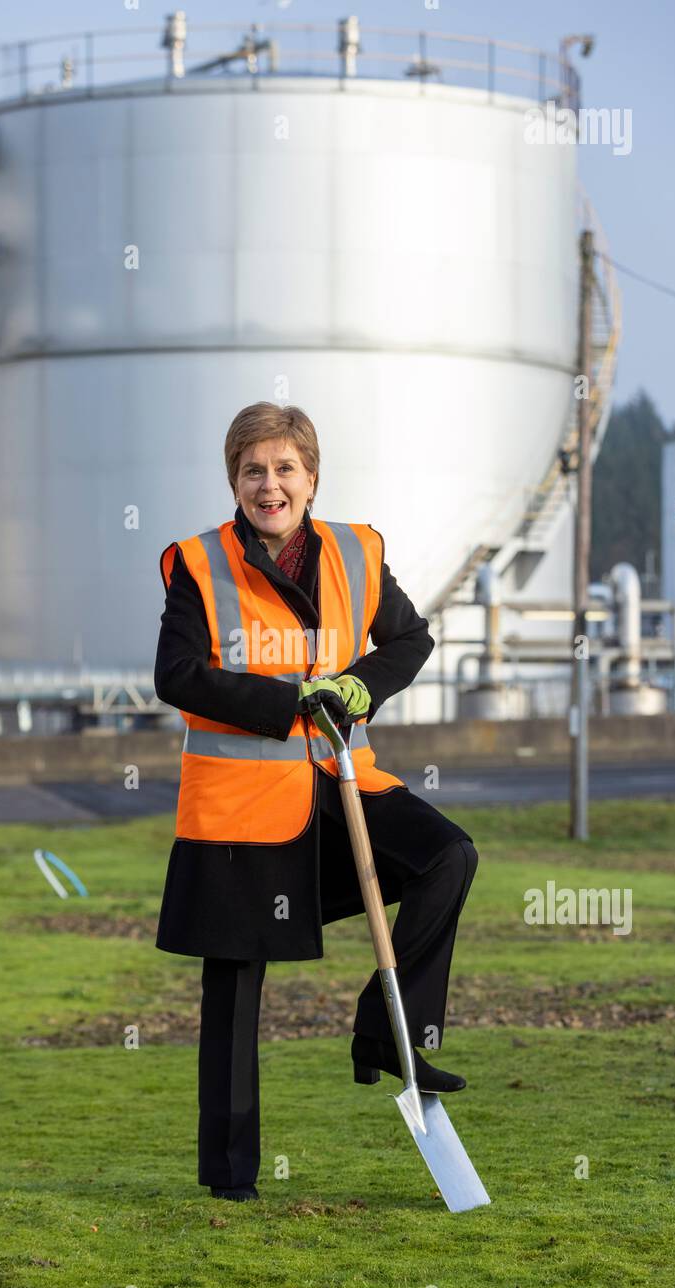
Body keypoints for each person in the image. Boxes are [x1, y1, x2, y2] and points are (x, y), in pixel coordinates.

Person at [154, 402, 479, 1201]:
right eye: (253, 470)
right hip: (240, 810)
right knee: (233, 986)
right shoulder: (198, 565)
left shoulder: (356, 551)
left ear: (311, 476)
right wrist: (289, 700)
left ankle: (384, 1030)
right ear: (234, 480)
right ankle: (228, 1182)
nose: (270, 485)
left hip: (340, 788)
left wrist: (357, 685)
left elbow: (409, 640)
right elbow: (178, 676)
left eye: (284, 468)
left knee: (447, 856)